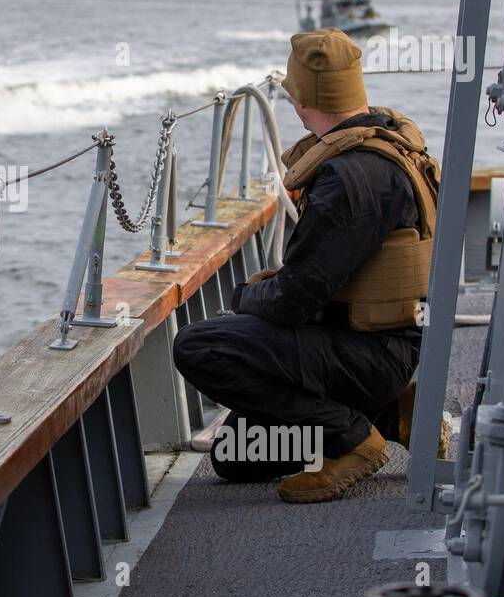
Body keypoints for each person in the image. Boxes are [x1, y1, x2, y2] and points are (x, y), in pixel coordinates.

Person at [172, 27, 445, 503]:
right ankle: (393, 413)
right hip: (387, 344)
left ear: (299, 99)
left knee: (199, 346)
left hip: (370, 353)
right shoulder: (391, 141)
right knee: (240, 455)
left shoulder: (350, 175)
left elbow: (292, 302)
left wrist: (244, 298)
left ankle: (352, 439)